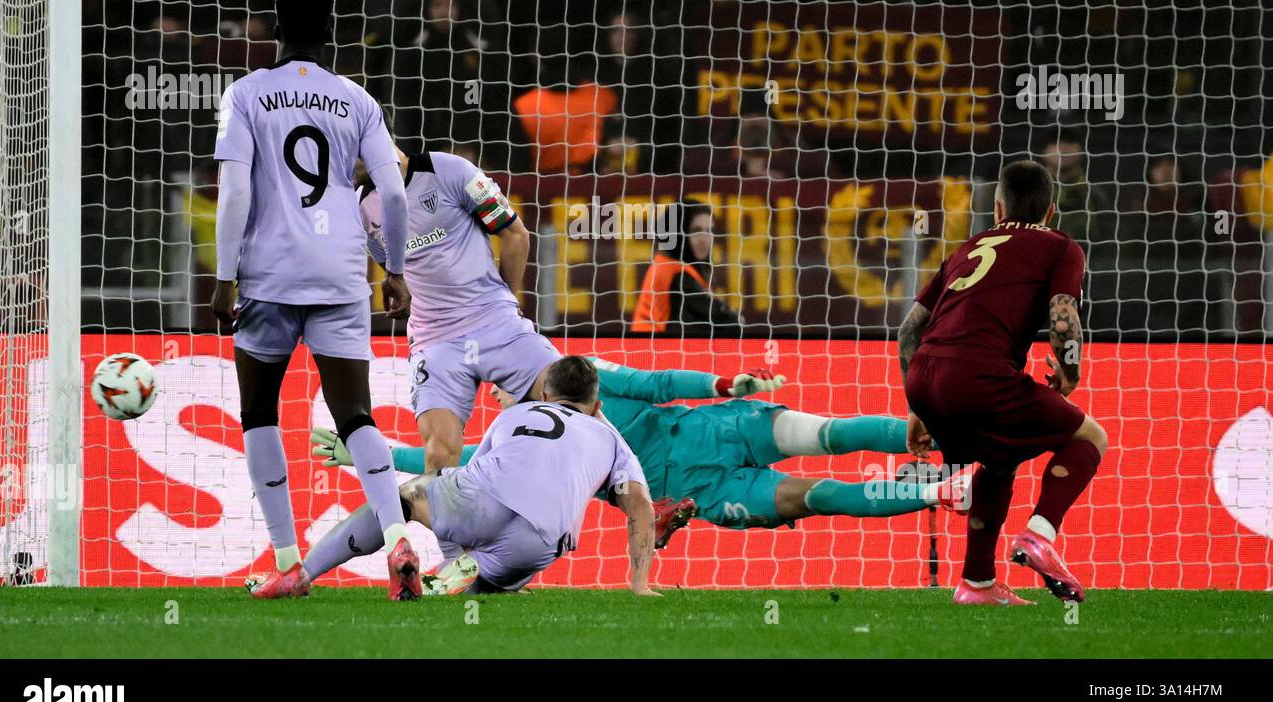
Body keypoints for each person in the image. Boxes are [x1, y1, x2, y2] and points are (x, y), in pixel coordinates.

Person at [308, 359, 968, 561]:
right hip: (710, 492)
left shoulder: (583, 373)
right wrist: (356, 451)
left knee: (827, 433)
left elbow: (654, 385)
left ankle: (930, 438)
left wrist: (717, 386)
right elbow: (450, 463)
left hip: (719, 431)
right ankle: (942, 492)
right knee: (816, 497)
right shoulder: (523, 437)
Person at [211, 0, 423, 601]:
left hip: (269, 273)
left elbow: (236, 192)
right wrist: (396, 270)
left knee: (259, 410)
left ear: (275, 29)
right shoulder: (355, 99)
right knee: (355, 414)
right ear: (331, 33)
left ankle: (285, 561)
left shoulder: (245, 93)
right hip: (340, 271)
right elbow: (390, 191)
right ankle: (397, 538)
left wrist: (226, 278)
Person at [897, 159, 1108, 606]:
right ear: (1051, 210)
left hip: (926, 375)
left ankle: (976, 584)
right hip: (979, 375)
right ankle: (1040, 536)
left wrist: (916, 406)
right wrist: (1070, 371)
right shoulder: (1060, 246)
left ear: (996, 208)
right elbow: (1064, 315)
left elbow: (909, 330)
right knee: (1090, 437)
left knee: (1000, 459)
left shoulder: (968, 246)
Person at [304, 356, 659, 596]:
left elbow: (471, 466)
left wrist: (380, 457)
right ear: (597, 406)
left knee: (404, 498)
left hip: (482, 497)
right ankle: (460, 573)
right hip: (538, 539)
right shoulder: (612, 440)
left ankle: (303, 573)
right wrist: (640, 585)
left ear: (546, 394)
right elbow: (641, 505)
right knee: (495, 580)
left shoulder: (517, 414)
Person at [358, 145, 561, 472]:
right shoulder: (361, 204)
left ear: (375, 138)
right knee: (439, 457)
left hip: (495, 320)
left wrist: (504, 303)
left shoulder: (451, 171)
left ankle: (635, 485)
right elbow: (394, 268)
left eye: (348, 149)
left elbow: (515, 235)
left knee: (574, 400)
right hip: (435, 342)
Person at [631, 199, 743, 336]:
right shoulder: (676, 274)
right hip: (648, 352)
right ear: (678, 233)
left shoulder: (668, 265)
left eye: (710, 230)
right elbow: (723, 320)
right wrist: (736, 319)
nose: (704, 238)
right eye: (696, 230)